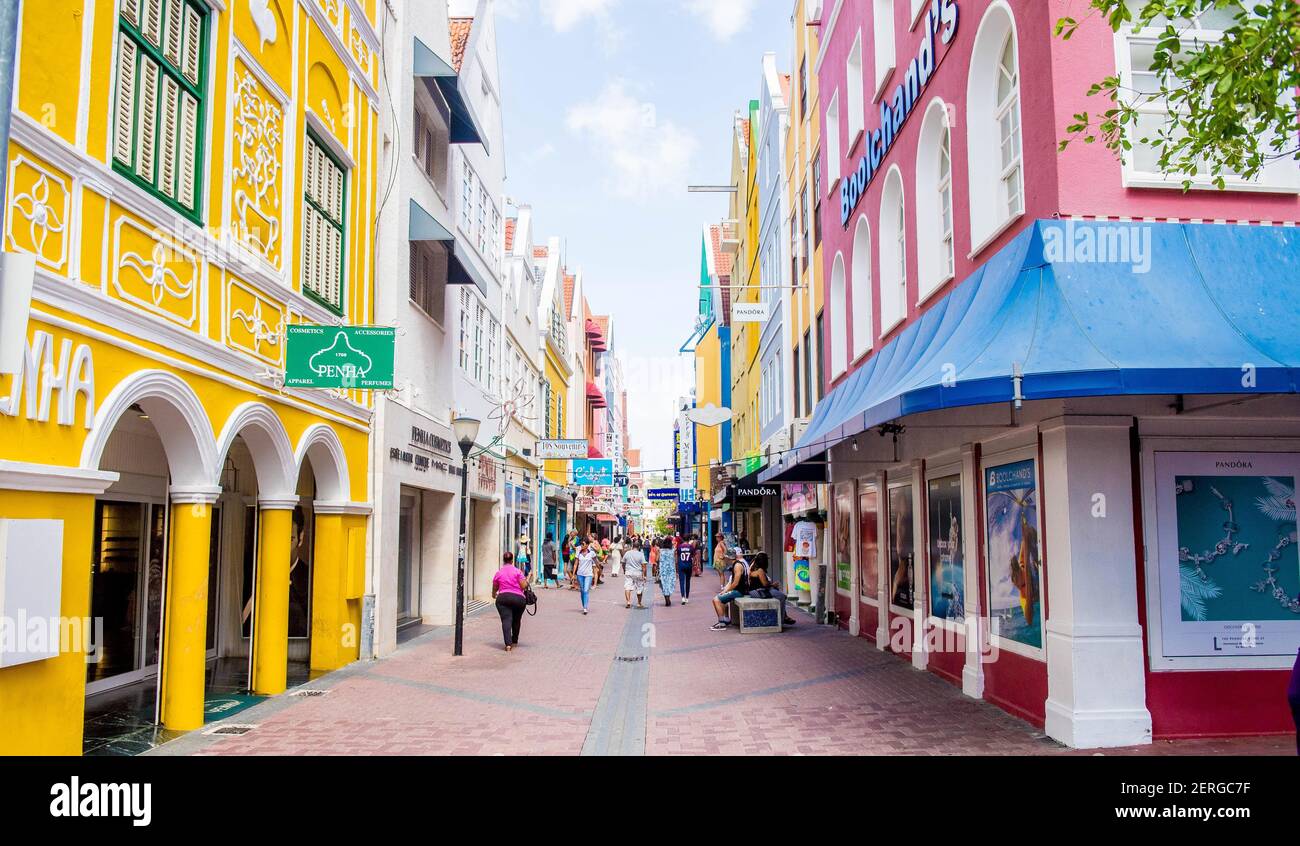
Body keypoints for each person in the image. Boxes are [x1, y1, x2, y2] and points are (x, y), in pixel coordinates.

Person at [492, 552, 529, 652]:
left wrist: (493, 594)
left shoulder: (499, 573)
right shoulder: (518, 571)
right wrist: (528, 578)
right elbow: (523, 586)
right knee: (516, 620)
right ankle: (514, 640)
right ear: (512, 560)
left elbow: (495, 587)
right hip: (518, 599)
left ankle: (508, 645)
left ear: (503, 560)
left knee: (506, 620)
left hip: (503, 598)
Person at [747, 552, 796, 627]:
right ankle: (782, 619)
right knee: (782, 597)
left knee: (778, 594)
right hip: (758, 591)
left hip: (755, 591)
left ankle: (784, 616)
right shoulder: (760, 571)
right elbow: (765, 584)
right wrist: (773, 584)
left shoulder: (753, 568)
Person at [711, 548, 753, 631]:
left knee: (716, 600)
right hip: (738, 590)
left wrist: (726, 591)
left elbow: (735, 583)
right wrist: (724, 591)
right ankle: (726, 619)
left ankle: (721, 623)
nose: (725, 559)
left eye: (726, 557)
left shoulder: (737, 566)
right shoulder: (736, 564)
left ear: (729, 558)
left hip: (739, 591)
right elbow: (732, 582)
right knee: (722, 600)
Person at [621, 542, 648, 609]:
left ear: (633, 546)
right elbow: (644, 566)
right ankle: (639, 603)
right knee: (639, 588)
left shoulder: (627, 553)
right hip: (638, 573)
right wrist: (644, 575)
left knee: (627, 587)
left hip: (629, 572)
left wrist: (624, 570)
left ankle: (628, 602)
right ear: (639, 547)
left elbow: (623, 563)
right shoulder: (641, 554)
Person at [574, 540, 598, 615]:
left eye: (583, 544)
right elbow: (575, 564)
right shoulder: (578, 553)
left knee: (586, 590)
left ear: (587, 545)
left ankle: (585, 607)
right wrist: (573, 575)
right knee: (582, 590)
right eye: (581, 544)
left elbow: (596, 562)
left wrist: (600, 570)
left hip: (588, 574)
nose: (581, 545)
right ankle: (583, 604)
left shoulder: (591, 553)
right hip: (580, 574)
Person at [654, 536, 678, 607]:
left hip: (663, 570)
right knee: (670, 584)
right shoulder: (673, 550)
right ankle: (668, 598)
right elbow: (676, 560)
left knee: (664, 585)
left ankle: (666, 598)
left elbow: (656, 560)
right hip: (671, 570)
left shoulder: (660, 551)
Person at [675, 534, 696, 605]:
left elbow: (677, 557)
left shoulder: (679, 547)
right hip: (688, 565)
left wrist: (676, 566)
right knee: (688, 581)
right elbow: (693, 557)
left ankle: (683, 597)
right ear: (689, 539)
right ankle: (687, 598)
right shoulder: (691, 547)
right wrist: (693, 565)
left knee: (681, 581)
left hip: (681, 565)